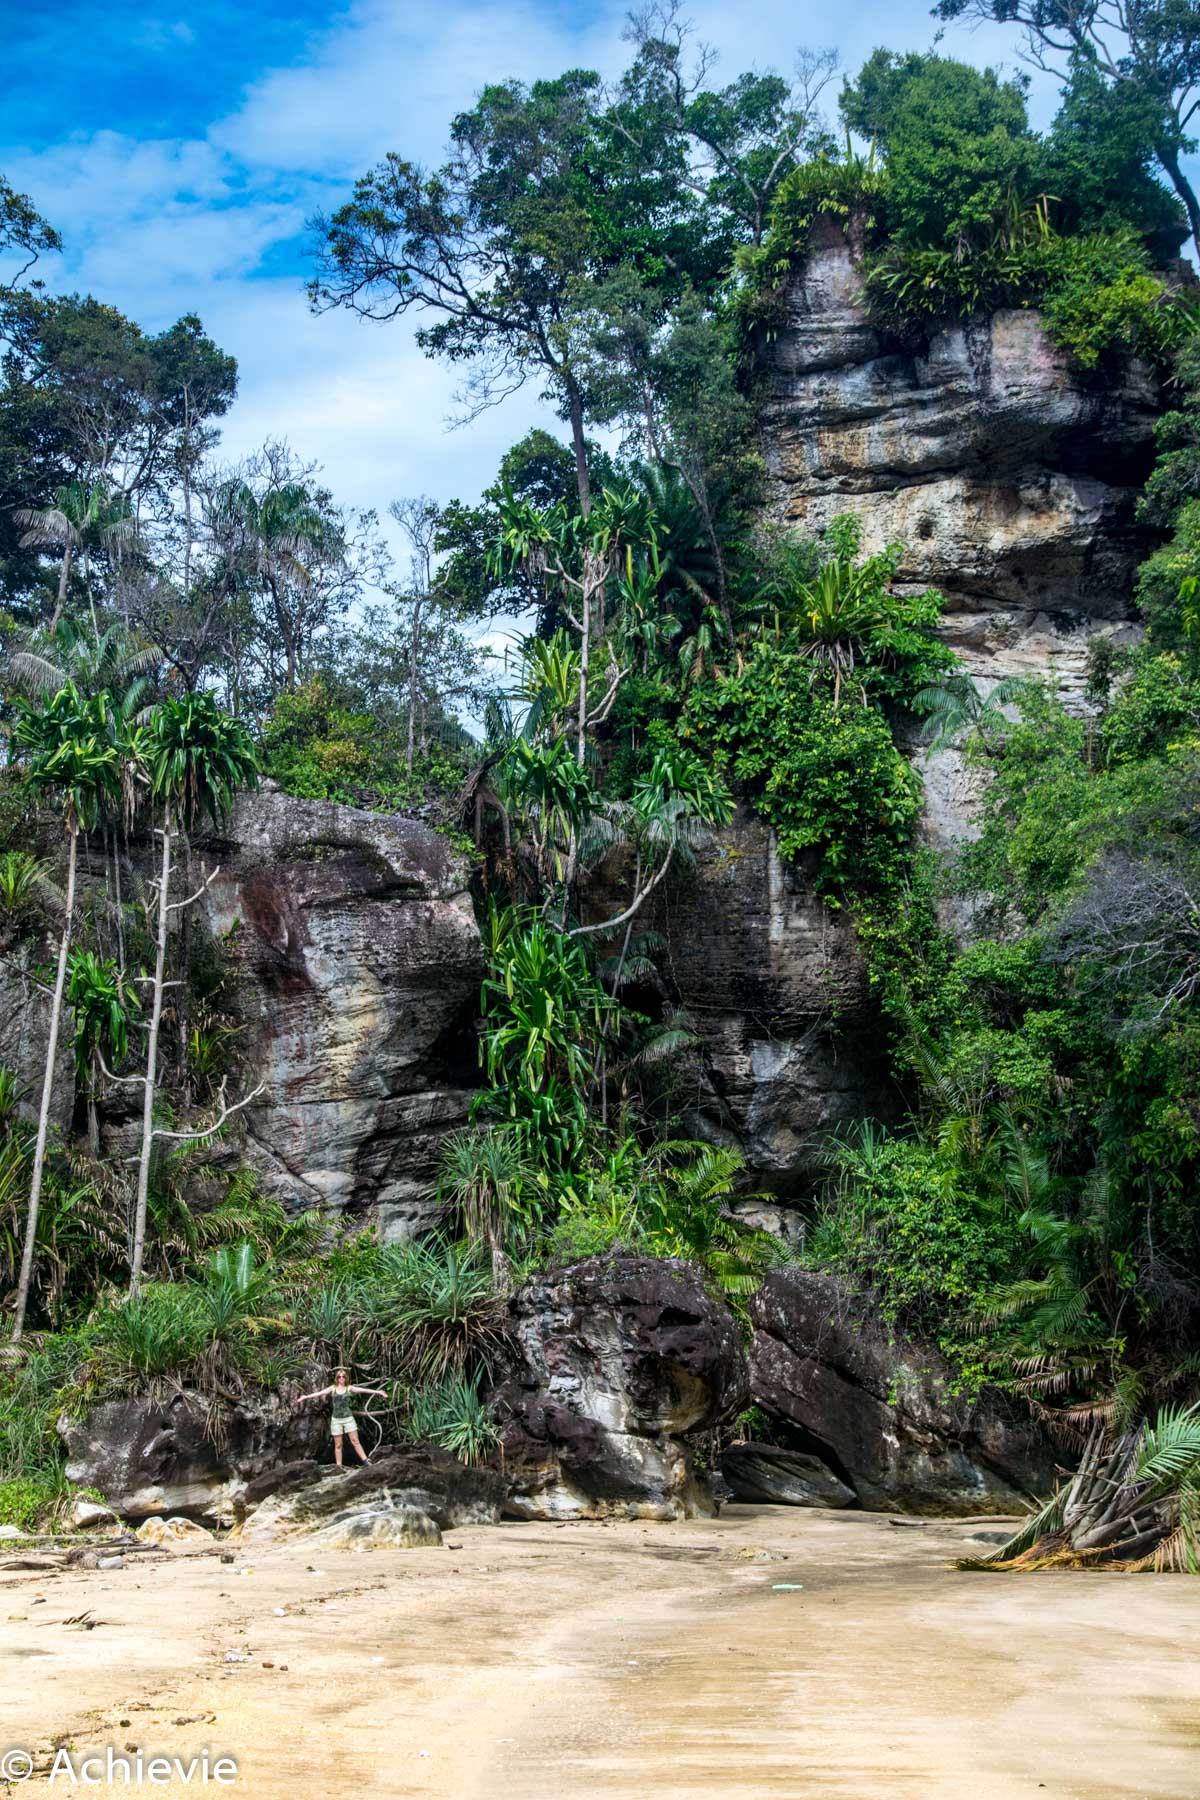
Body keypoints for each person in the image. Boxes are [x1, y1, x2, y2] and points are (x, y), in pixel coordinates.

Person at [296, 1368, 385, 1467]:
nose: (341, 1378)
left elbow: (363, 1390)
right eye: (339, 1377)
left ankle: (365, 1461)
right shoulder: (332, 1388)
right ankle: (339, 1466)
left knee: (355, 1441)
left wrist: (378, 1392)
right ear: (337, 1378)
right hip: (336, 1419)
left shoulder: (349, 1388)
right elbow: (320, 1393)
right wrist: (305, 1397)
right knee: (338, 1444)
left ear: (345, 1378)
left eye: (343, 1376)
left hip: (348, 1418)